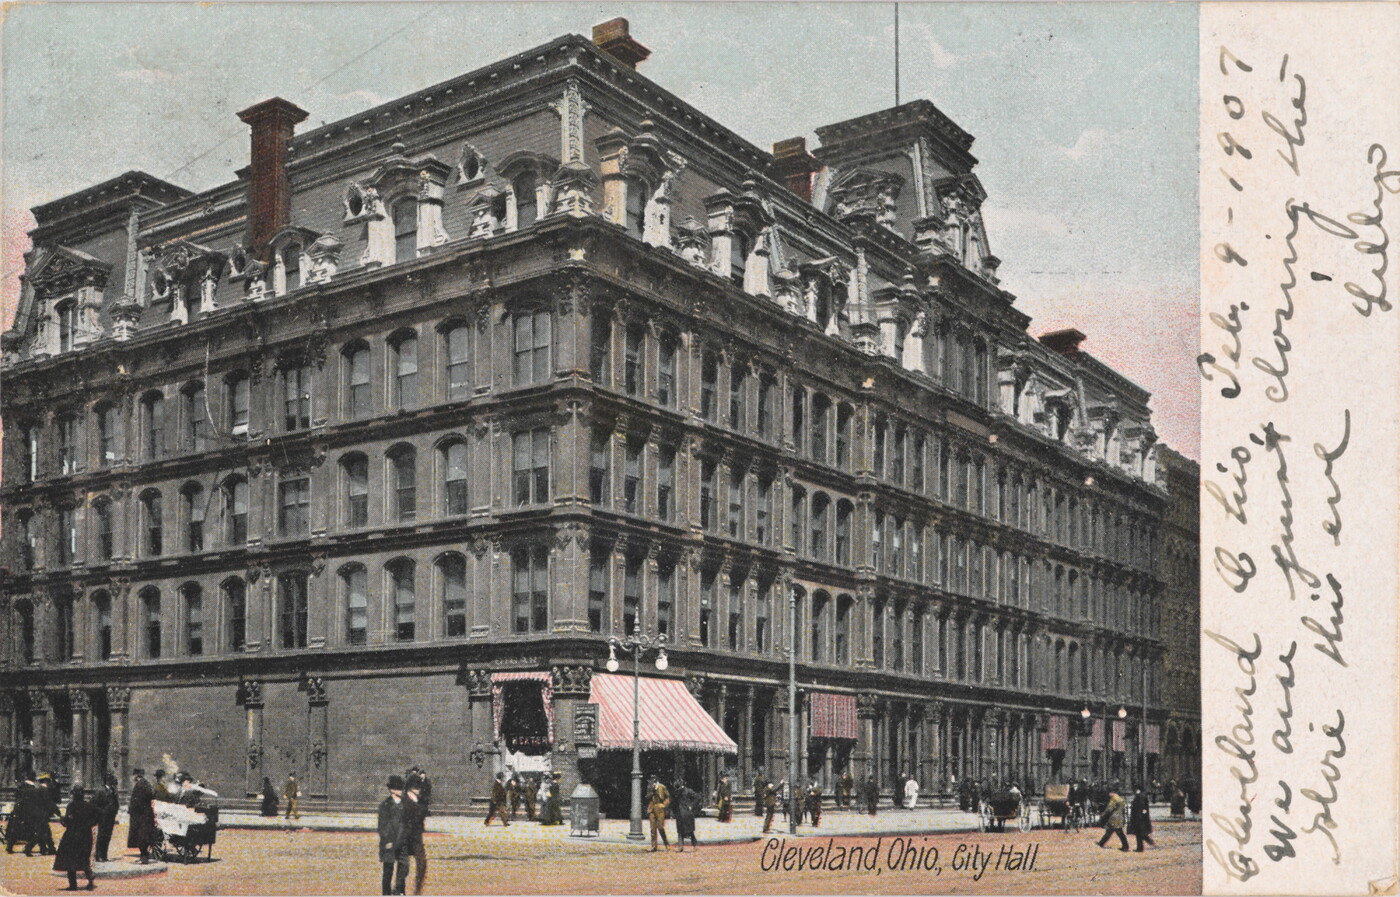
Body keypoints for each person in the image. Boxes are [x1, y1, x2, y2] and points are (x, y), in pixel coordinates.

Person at [53, 786, 99, 891]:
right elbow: (96, 819)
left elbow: (67, 822)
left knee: (70, 859)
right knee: (84, 858)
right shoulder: (89, 806)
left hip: (72, 835)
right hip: (86, 835)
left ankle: (73, 885)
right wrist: (88, 825)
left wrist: (62, 820)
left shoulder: (71, 806)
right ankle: (90, 877)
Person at [377, 775, 409, 896]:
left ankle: (399, 891)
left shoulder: (406, 805)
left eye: (401, 788)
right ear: (392, 790)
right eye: (398, 788)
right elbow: (382, 825)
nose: (401, 791)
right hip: (389, 842)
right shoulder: (385, 805)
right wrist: (387, 840)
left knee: (404, 867)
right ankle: (386, 893)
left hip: (403, 841)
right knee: (388, 870)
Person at [403, 774, 428, 895]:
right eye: (417, 787)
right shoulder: (403, 802)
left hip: (416, 838)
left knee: (422, 863)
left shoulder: (421, 802)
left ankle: (417, 891)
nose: (419, 790)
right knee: (404, 867)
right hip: (404, 838)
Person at [126, 769, 157, 864]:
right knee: (143, 836)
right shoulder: (145, 784)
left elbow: (137, 801)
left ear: (136, 775)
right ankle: (144, 857)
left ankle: (144, 858)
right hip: (145, 815)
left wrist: (132, 810)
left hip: (141, 815)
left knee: (141, 836)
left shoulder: (140, 785)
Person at [91, 776, 119, 863]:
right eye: (112, 780)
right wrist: (102, 812)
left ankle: (104, 855)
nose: (114, 782)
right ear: (108, 781)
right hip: (103, 817)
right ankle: (99, 855)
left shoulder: (113, 791)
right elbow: (93, 804)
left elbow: (116, 803)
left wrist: (115, 811)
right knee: (102, 836)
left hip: (111, 817)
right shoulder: (101, 791)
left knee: (107, 836)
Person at [645, 776, 670, 851]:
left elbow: (667, 797)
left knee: (660, 827)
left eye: (652, 780)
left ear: (656, 780)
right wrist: (651, 792)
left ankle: (666, 844)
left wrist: (664, 805)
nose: (651, 781)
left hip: (660, 808)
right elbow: (647, 797)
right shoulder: (649, 787)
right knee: (653, 829)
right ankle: (654, 846)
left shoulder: (662, 787)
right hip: (651, 808)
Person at [673, 783, 698, 852]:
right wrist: (673, 813)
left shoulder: (688, 791)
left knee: (689, 831)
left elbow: (696, 797)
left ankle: (694, 844)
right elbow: (674, 803)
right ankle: (681, 846)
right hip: (679, 813)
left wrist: (691, 805)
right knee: (680, 830)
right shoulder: (677, 792)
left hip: (686, 813)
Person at [1128, 786, 1155, 852]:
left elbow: (1142, 807)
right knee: (1140, 833)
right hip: (1140, 818)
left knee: (1139, 833)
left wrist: (1140, 817)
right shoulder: (1141, 796)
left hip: (1139, 818)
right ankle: (1147, 842)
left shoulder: (1140, 796)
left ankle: (1140, 848)